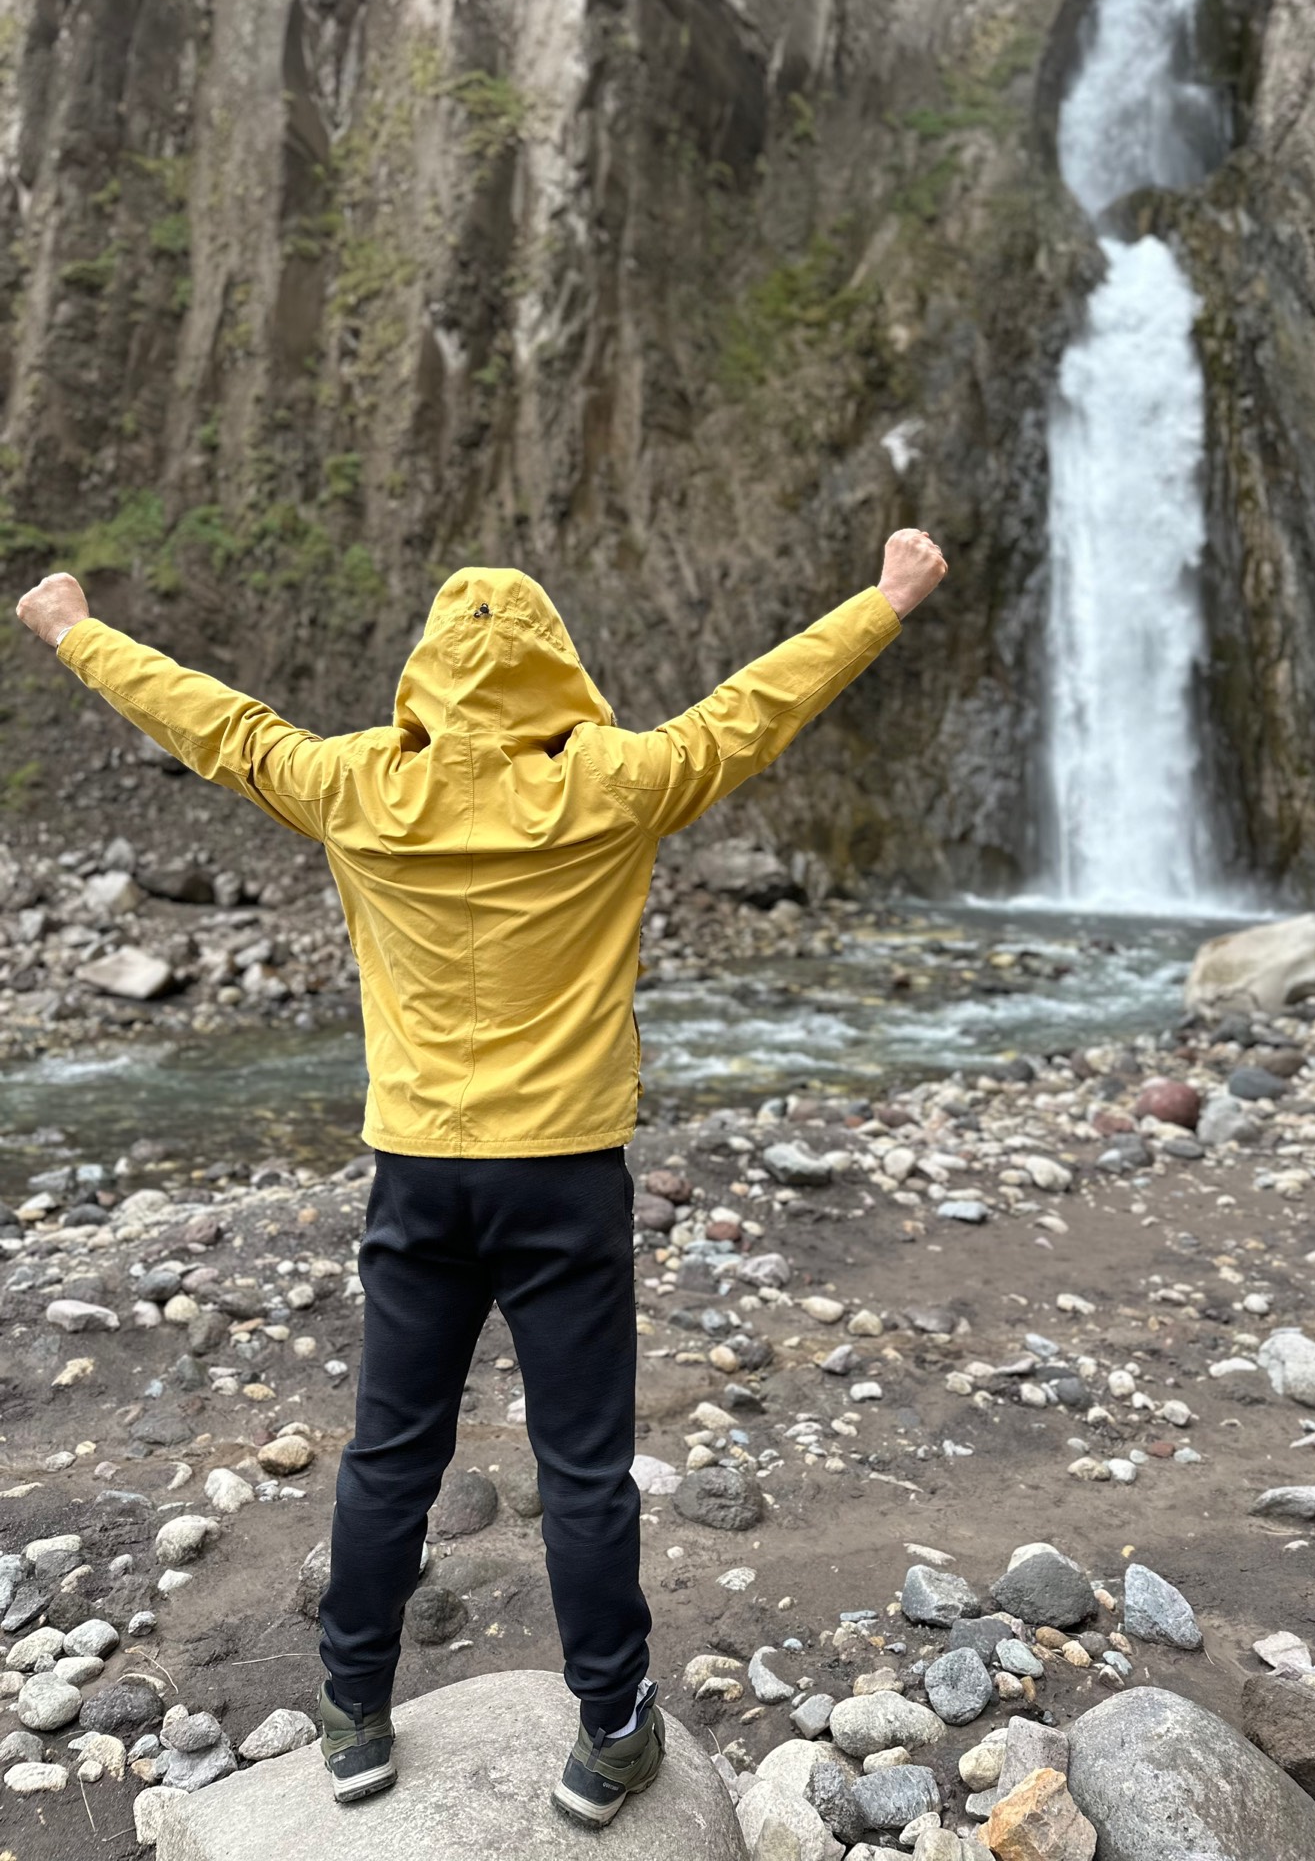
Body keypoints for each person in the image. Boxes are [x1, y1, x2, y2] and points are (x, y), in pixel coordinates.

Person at [15, 526, 947, 1827]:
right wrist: (888, 599)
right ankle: (612, 1726)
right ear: (553, 670)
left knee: (390, 1456)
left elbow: (210, 720)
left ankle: (353, 1711)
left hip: (419, 1176)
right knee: (581, 1466)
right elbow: (759, 706)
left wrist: (69, 628)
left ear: (424, 677)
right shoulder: (618, 780)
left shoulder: (352, 785)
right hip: (564, 1177)